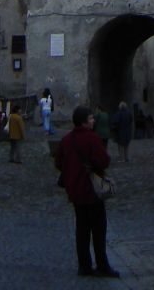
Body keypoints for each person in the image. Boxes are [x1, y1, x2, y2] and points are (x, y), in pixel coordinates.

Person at [55, 105, 120, 279]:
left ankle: (84, 266)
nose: (93, 121)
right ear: (84, 121)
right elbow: (104, 161)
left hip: (75, 191)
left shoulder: (67, 140)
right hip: (92, 191)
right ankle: (102, 265)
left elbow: (59, 162)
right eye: (91, 118)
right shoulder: (92, 139)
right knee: (98, 230)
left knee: (81, 230)